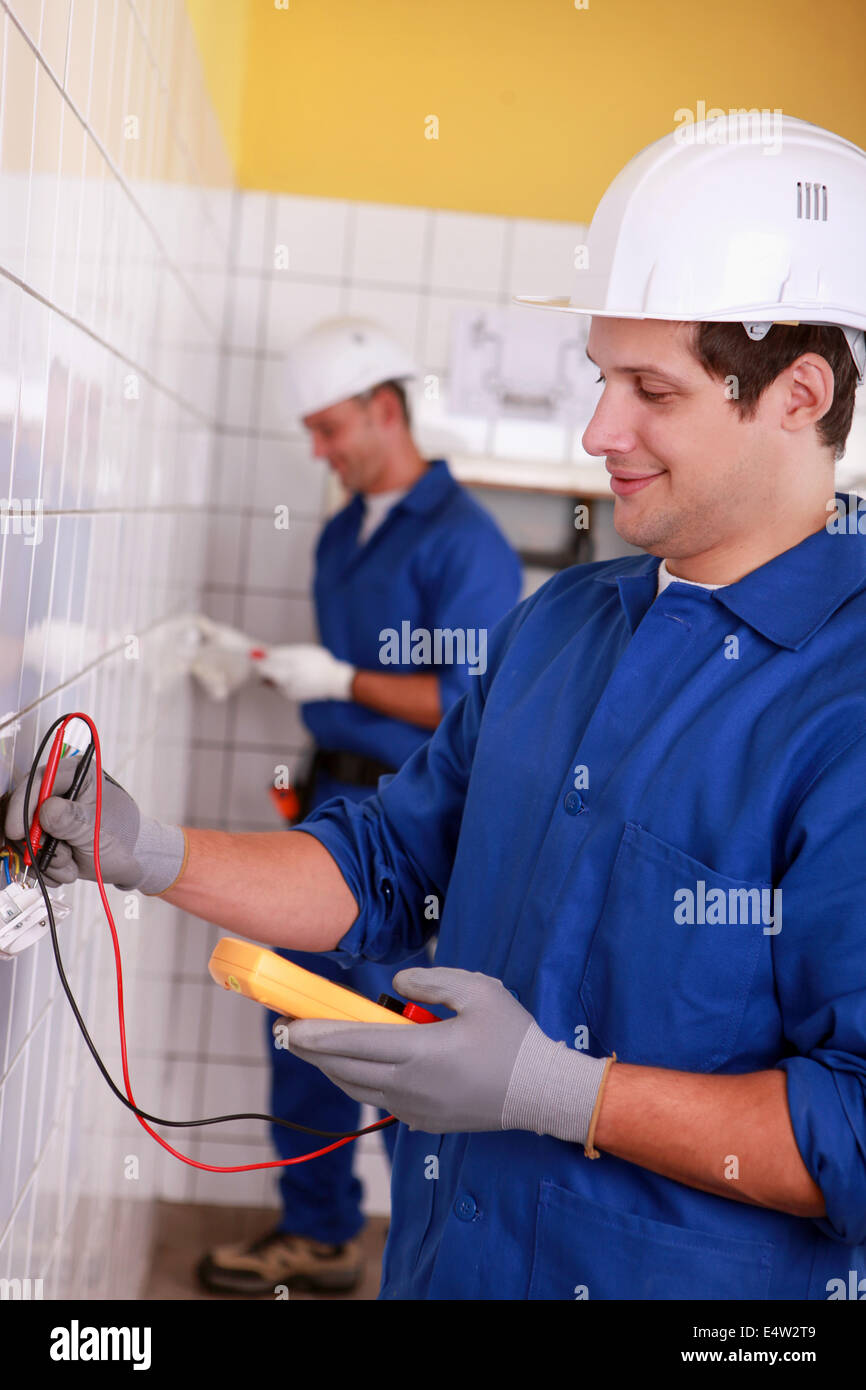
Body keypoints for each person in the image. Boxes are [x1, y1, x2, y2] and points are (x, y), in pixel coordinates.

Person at [7, 112, 866, 1300]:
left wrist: (556, 1091)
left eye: (649, 390)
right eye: (599, 378)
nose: (594, 432)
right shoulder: (561, 623)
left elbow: (856, 1133)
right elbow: (382, 862)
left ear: (797, 394)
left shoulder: (842, 702)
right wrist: (143, 851)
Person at [194, 318, 523, 1293]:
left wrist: (335, 669)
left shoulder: (465, 539)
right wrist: (255, 665)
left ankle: (401, 1253)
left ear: (386, 409)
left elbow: (463, 701)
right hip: (331, 798)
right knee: (298, 1023)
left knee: (375, 1036)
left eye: (331, 428)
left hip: (407, 824)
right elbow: (352, 681)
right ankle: (324, 1231)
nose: (320, 450)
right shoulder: (343, 527)